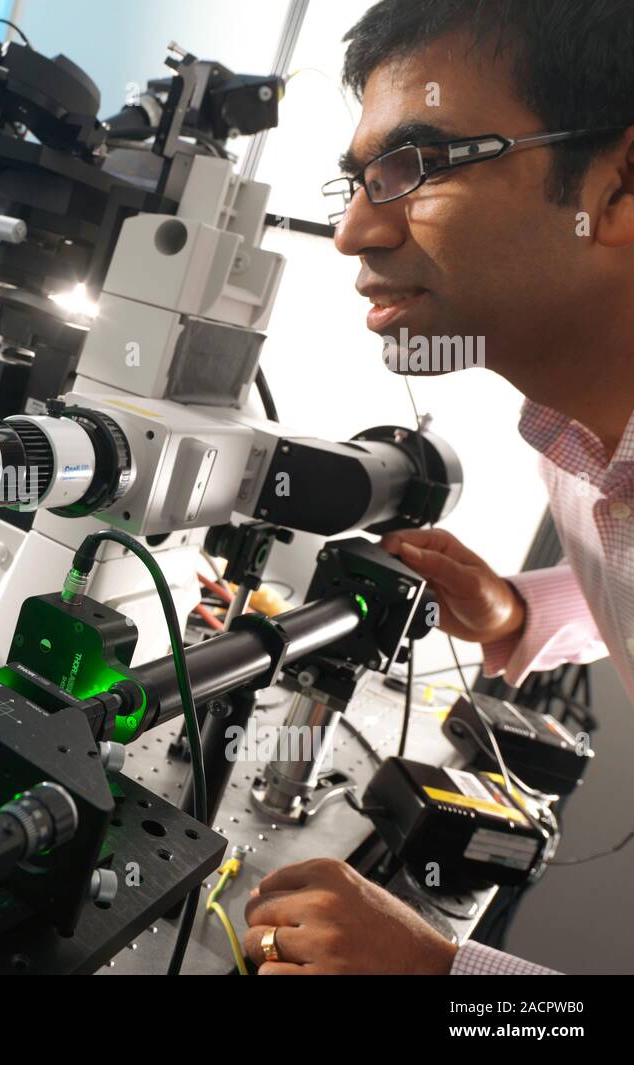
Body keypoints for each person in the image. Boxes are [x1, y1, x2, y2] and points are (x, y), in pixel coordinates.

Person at [242, 0, 634, 975]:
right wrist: (516, 614)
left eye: (414, 168)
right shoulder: (569, 424)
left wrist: (446, 981)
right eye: (354, 179)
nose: (350, 232)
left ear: (620, 186)